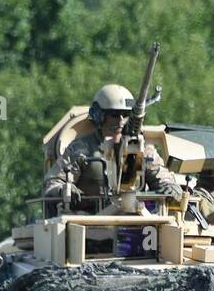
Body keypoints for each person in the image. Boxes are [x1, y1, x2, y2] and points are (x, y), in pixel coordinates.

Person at [43, 84, 178, 211]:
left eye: (125, 115)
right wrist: (65, 190)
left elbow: (162, 177)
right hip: (88, 220)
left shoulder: (142, 148)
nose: (120, 121)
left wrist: (170, 187)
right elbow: (53, 183)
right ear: (99, 115)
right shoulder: (81, 149)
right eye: (114, 115)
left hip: (136, 220)